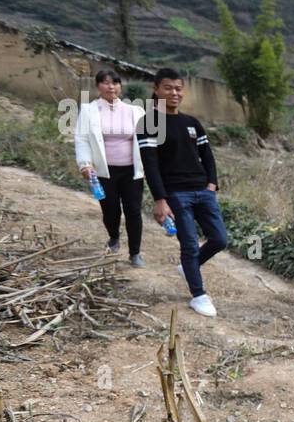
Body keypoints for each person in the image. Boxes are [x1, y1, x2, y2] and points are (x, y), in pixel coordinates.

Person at [137, 68, 227, 318]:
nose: (174, 93)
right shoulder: (149, 123)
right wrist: (160, 200)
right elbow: (151, 165)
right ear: (156, 90)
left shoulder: (192, 123)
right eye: (168, 87)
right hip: (176, 194)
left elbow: (207, 156)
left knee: (219, 239)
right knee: (188, 244)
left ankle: (189, 267)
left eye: (178, 88)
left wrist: (212, 184)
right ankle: (199, 295)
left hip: (203, 191)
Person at [73, 69, 147, 266]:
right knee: (110, 210)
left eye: (115, 83)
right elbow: (81, 139)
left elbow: (147, 142)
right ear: (98, 86)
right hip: (103, 172)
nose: (111, 87)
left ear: (120, 86)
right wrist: (85, 165)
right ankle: (114, 237)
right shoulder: (89, 110)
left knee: (133, 211)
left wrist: (151, 166)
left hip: (132, 171)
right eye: (105, 83)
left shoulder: (136, 111)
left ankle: (135, 253)